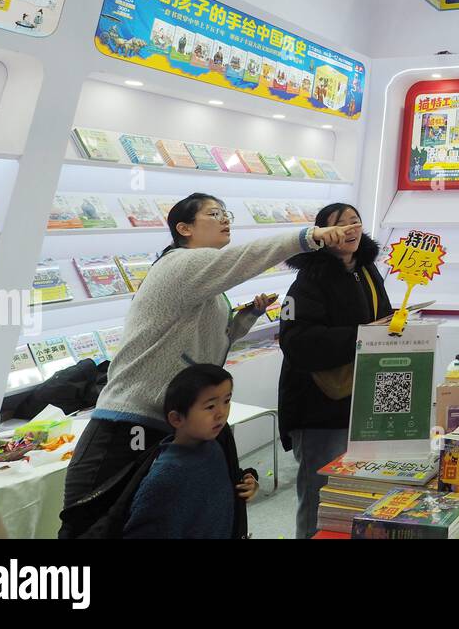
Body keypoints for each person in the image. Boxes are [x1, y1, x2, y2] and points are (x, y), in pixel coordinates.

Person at [58, 193, 352, 538]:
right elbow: (244, 259)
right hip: (129, 423)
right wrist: (305, 237)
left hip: (176, 421)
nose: (225, 219)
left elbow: (209, 346)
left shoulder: (205, 282)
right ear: (184, 228)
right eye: (214, 214)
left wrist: (246, 318)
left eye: (226, 212)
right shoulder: (178, 264)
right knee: (96, 524)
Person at [278, 203, 391, 540]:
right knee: (321, 493)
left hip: (359, 396)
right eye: (340, 224)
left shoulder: (367, 269)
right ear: (323, 235)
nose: (351, 228)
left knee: (355, 490)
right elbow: (295, 340)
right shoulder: (308, 279)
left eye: (356, 221)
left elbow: (379, 318)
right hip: (319, 405)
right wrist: (364, 333)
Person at [124, 364, 258, 539]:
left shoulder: (214, 446)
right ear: (177, 418)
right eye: (210, 406)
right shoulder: (165, 478)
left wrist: (247, 483)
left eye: (226, 401)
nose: (221, 413)